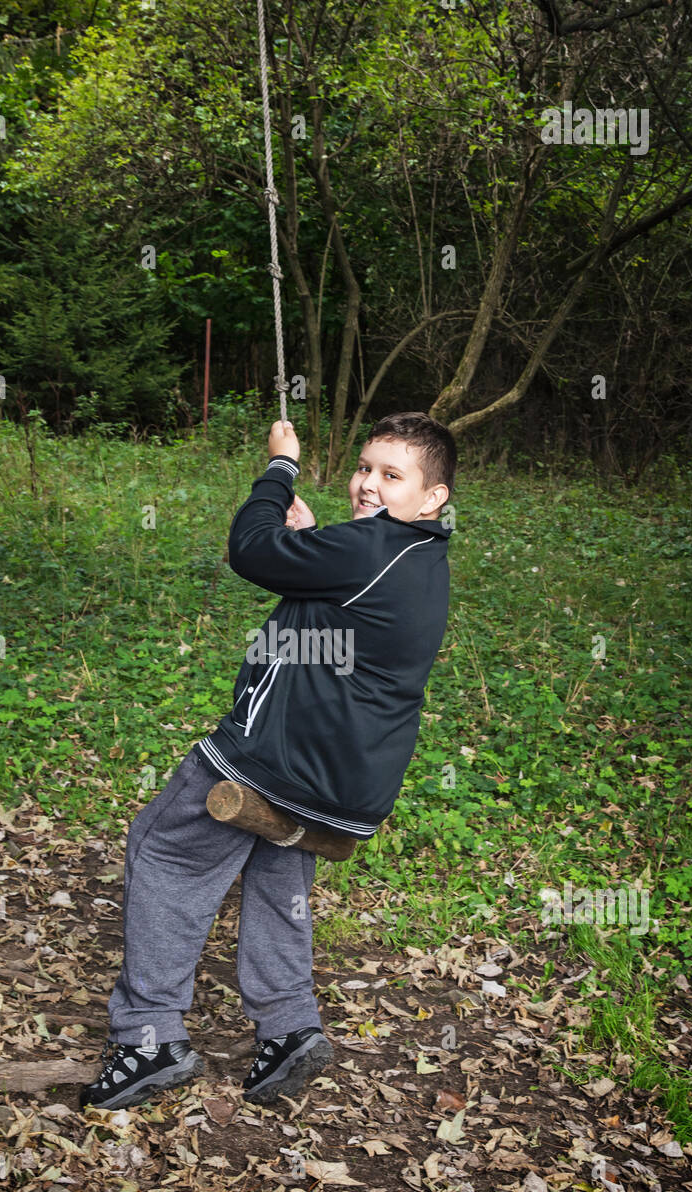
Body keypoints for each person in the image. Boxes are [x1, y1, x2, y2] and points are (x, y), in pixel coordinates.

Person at [80, 411, 456, 1110]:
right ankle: (288, 1028)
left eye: (391, 475)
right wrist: (311, 546)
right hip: (339, 788)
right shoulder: (418, 557)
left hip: (270, 762)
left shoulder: (371, 548)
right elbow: (338, 609)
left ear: (432, 497)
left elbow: (249, 550)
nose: (367, 484)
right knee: (276, 871)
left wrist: (279, 466)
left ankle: (147, 1037)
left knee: (163, 852)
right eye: (364, 467)